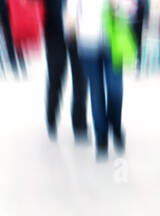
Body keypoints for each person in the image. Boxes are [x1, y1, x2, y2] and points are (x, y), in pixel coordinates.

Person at [68, 0, 130, 158]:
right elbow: (71, 12)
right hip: (87, 42)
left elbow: (130, 7)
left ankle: (115, 125)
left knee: (116, 89)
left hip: (114, 38)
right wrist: (73, 28)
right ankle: (101, 136)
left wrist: (119, 6)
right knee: (96, 91)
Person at [44, 0, 87, 139]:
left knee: (81, 79)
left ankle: (79, 124)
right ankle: (51, 118)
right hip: (54, 32)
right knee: (55, 76)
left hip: (79, 32)